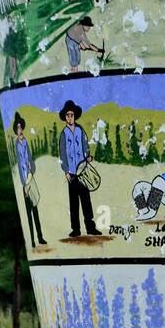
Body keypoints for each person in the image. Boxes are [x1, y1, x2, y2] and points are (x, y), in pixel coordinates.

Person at [57, 99, 101, 237]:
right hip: (71, 172)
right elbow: (62, 153)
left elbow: (85, 145)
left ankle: (90, 227)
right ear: (65, 117)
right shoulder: (64, 134)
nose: (70, 117)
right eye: (68, 115)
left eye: (72, 115)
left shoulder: (80, 130)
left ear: (74, 116)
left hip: (82, 170)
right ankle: (75, 229)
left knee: (86, 200)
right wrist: (65, 171)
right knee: (73, 202)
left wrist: (87, 157)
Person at [12, 111, 46, 247]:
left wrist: (32, 171)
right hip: (24, 182)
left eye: (21, 127)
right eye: (17, 128)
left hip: (30, 177)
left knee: (35, 209)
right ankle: (31, 240)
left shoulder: (25, 142)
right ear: (16, 130)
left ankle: (40, 237)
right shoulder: (16, 145)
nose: (20, 130)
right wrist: (24, 184)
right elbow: (20, 164)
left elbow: (30, 159)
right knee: (28, 212)